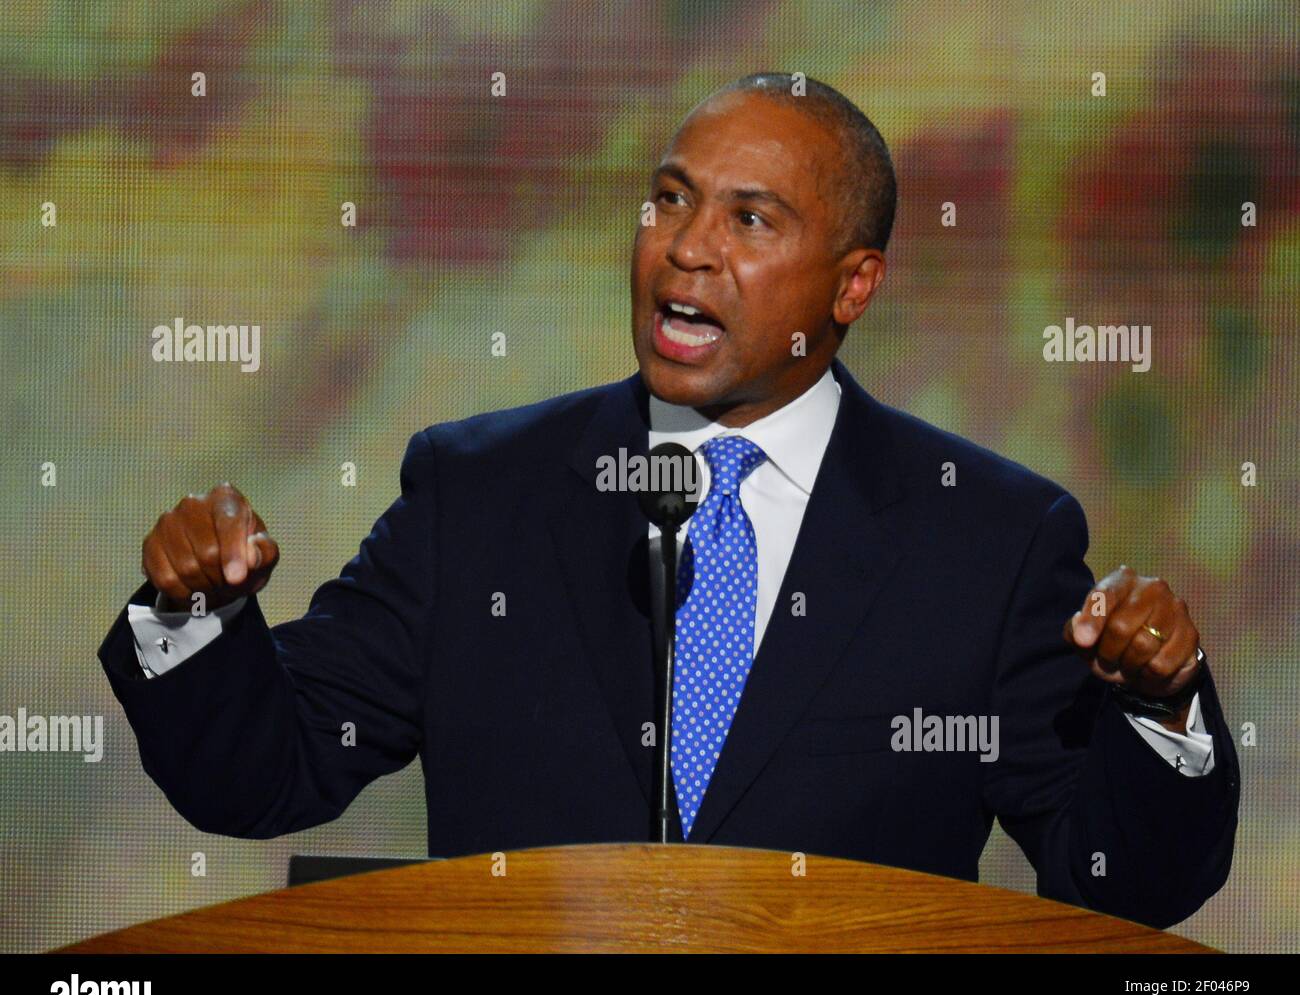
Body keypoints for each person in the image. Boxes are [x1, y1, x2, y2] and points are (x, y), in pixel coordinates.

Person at [99, 73, 1238, 930]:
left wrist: (1164, 708)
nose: (684, 250)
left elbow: (1115, 884)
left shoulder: (986, 537)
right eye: (667, 200)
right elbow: (264, 777)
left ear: (852, 284)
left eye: (749, 220)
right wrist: (189, 618)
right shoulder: (482, 494)